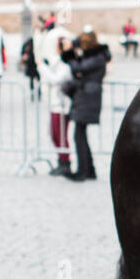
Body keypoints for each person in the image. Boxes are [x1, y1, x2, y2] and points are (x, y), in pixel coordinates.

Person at [63, 27, 111, 180]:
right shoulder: (96, 55)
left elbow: (79, 68)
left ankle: (83, 170)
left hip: (87, 97)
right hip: (86, 97)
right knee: (80, 134)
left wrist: (69, 54)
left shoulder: (97, 57)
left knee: (79, 135)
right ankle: (89, 169)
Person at [41, 26, 76, 177]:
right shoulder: (57, 61)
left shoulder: (66, 64)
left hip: (62, 105)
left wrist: (42, 68)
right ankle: (61, 160)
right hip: (54, 104)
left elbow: (56, 79)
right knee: (54, 134)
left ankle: (65, 162)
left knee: (61, 135)